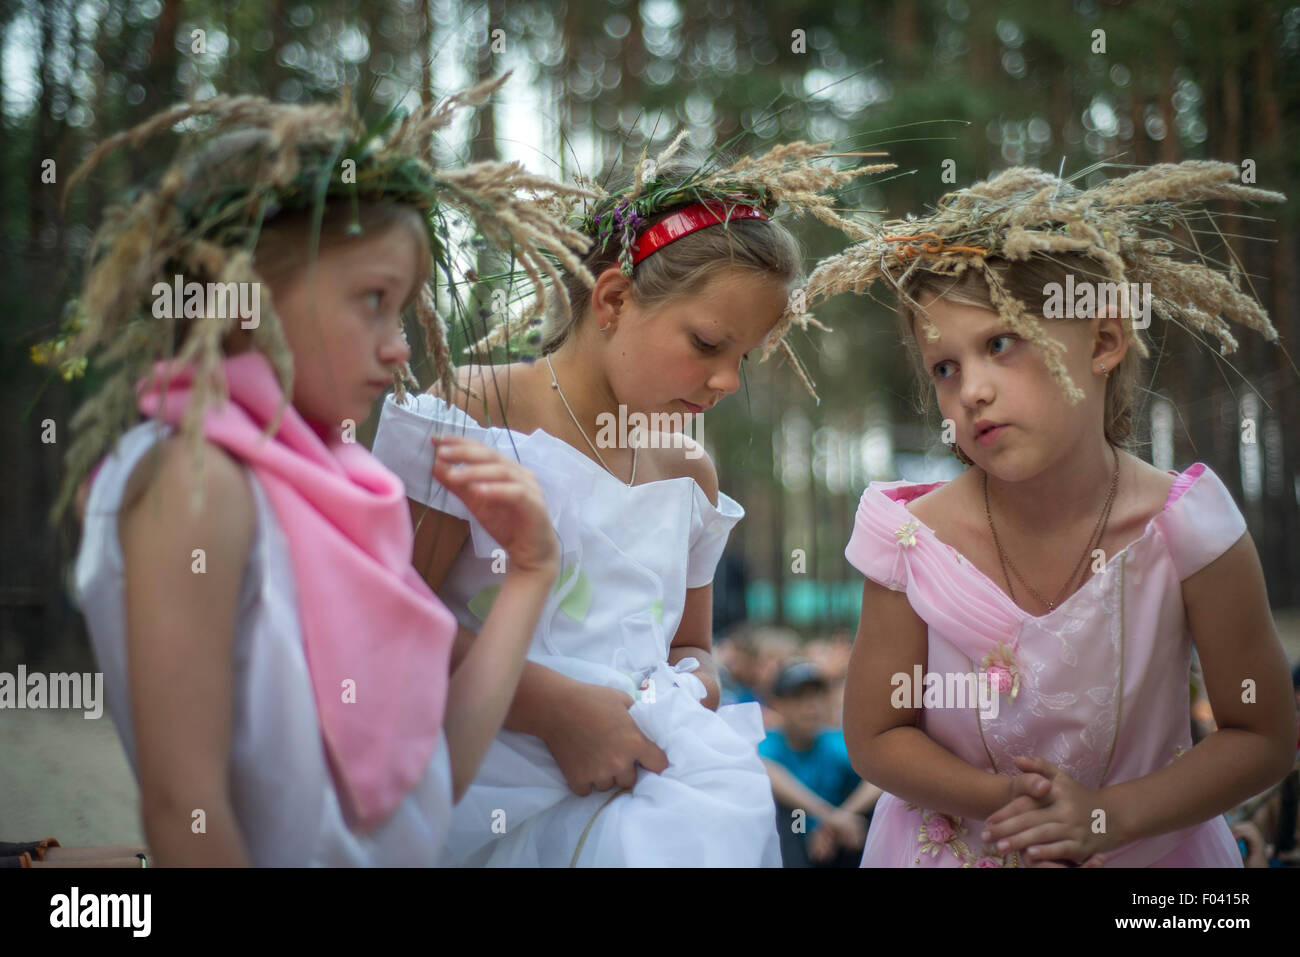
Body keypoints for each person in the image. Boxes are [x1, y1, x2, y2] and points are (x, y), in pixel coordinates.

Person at [55, 78, 587, 865]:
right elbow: (185, 811)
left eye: (403, 307)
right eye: (373, 299)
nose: (400, 343)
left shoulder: (334, 489)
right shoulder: (195, 481)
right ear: (243, 299)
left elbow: (425, 784)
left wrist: (531, 573)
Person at [371, 137, 894, 865]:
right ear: (613, 298)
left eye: (742, 356)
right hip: (482, 781)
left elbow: (689, 646)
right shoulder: (478, 409)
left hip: (649, 787)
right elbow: (391, 618)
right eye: (708, 342)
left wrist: (686, 694)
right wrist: (556, 710)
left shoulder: (689, 473)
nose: (727, 382)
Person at [806, 161, 1299, 867]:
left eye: (1000, 344)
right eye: (945, 367)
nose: (970, 390)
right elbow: (877, 735)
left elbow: (1263, 734)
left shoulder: (1187, 530)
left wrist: (1106, 815)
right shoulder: (912, 540)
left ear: (1103, 340)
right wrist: (1014, 805)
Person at [759, 660, 881, 867]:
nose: (811, 707)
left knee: (866, 817)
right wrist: (829, 816)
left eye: (816, 696)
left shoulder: (834, 741)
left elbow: (880, 779)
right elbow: (767, 771)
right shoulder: (769, 742)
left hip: (837, 838)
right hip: (797, 834)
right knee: (788, 818)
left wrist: (841, 817)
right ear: (777, 703)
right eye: (799, 697)